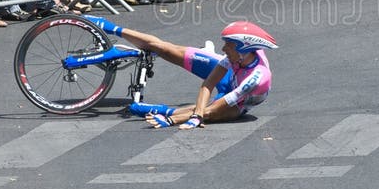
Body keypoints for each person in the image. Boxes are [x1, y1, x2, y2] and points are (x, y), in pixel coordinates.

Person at [85, 16, 275, 129]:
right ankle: (109, 26)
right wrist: (189, 117)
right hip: (229, 74)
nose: (224, 48)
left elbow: (212, 109)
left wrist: (179, 119)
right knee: (164, 49)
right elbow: (208, 84)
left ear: (242, 50)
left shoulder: (256, 79)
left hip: (238, 101)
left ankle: (161, 111)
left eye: (228, 45)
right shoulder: (235, 56)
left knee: (212, 113)